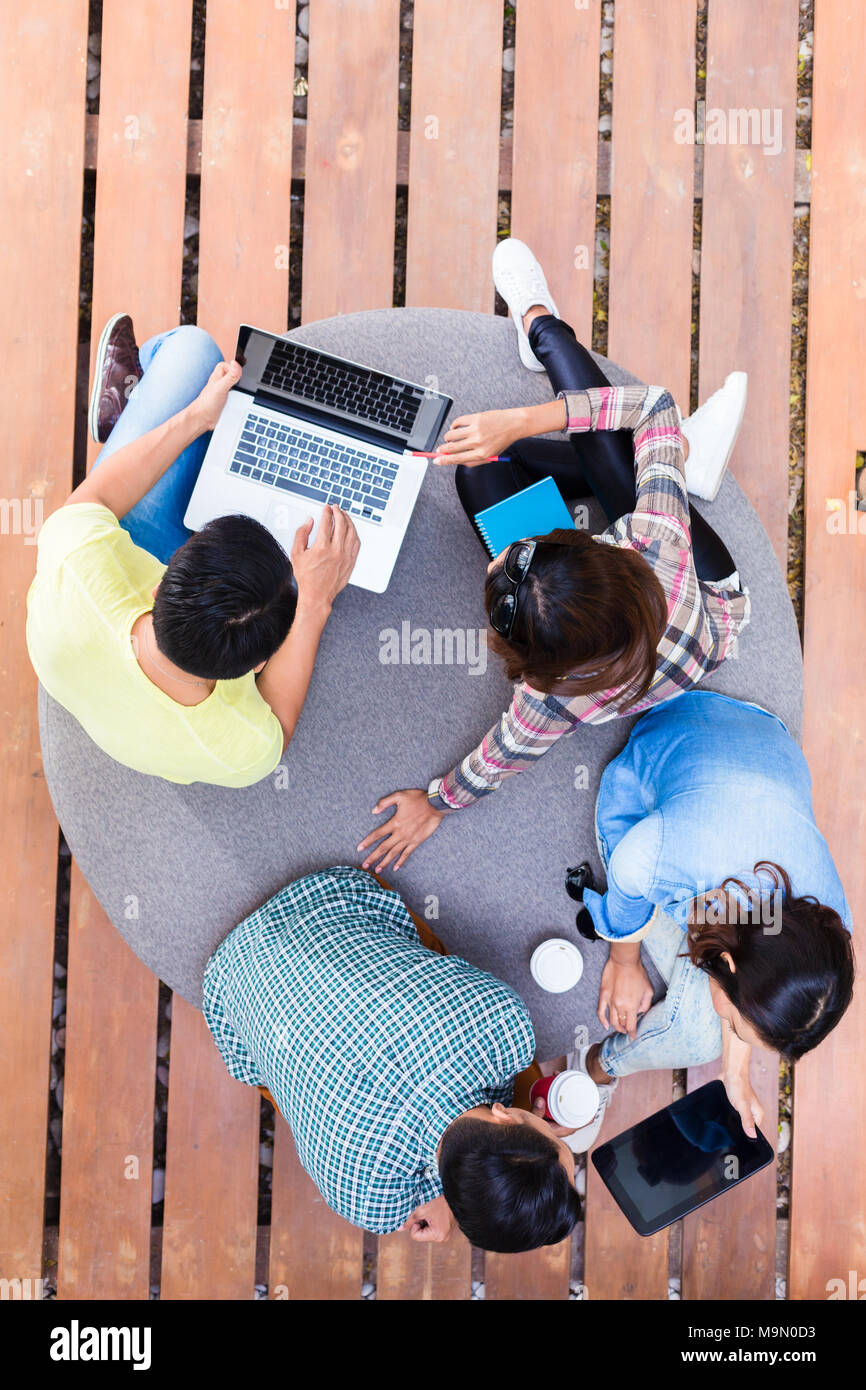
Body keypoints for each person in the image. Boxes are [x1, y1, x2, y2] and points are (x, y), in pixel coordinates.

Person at [358, 238, 750, 872]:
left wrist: (438, 803)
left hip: (658, 605)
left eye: (499, 575)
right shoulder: (659, 541)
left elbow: (500, 757)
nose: (492, 562)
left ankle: (548, 333)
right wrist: (523, 418)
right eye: (513, 560)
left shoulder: (548, 700)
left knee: (484, 469)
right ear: (592, 543)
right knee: (605, 445)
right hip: (708, 590)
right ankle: (543, 328)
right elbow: (654, 405)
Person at [26, 316, 359, 787]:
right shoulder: (242, 749)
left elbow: (95, 498)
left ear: (163, 578)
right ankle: (143, 414)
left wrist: (198, 417)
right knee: (198, 352)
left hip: (84, 627)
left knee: (193, 349)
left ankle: (129, 408)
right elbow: (279, 726)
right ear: (258, 666)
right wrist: (316, 602)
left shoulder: (76, 562)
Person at [202, 865, 581, 1252]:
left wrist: (530, 1122)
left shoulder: (503, 1022)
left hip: (320, 899)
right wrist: (448, 1201)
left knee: (441, 972)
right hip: (227, 985)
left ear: (502, 1116)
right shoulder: (369, 1204)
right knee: (293, 1097)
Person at [558, 690, 854, 1142]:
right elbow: (628, 873)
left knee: (709, 1037)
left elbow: (760, 970)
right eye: (736, 1020)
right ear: (731, 962)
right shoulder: (664, 859)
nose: (732, 1029)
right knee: (699, 1039)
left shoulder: (829, 926)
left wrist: (734, 1073)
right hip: (658, 759)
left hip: (762, 736)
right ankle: (597, 1067)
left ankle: (603, 1066)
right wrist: (624, 960)